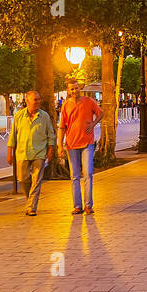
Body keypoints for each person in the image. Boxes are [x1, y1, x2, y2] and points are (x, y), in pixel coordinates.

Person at [7, 90, 55, 217]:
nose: (38, 102)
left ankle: (31, 207)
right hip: (22, 153)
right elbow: (13, 135)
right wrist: (9, 153)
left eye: (38, 99)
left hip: (39, 152)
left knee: (36, 180)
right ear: (27, 101)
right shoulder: (19, 116)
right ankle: (30, 199)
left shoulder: (44, 116)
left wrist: (50, 150)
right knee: (23, 178)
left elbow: (51, 135)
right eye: (35, 99)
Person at [58, 78, 102, 215]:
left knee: (88, 173)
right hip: (71, 144)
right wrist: (60, 145)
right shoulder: (65, 105)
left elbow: (101, 114)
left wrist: (93, 124)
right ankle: (77, 206)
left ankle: (88, 205)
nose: (74, 91)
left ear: (79, 88)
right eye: (72, 89)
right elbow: (62, 127)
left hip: (87, 143)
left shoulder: (88, 102)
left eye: (76, 88)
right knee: (74, 176)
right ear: (68, 90)